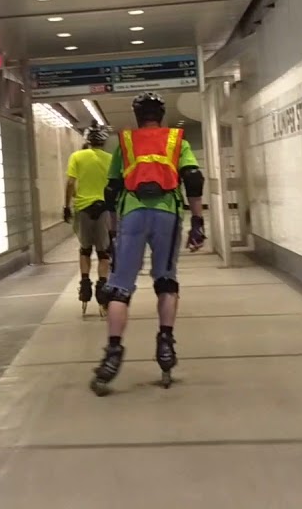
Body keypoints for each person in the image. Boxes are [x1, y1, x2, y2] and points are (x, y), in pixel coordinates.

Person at [91, 93, 206, 395]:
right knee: (166, 280)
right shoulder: (177, 141)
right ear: (162, 114)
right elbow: (193, 179)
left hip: (132, 214)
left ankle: (113, 353)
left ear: (137, 116)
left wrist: (114, 233)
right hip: (167, 214)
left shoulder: (125, 143)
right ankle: (165, 343)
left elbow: (112, 190)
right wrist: (197, 221)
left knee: (120, 285)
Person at [64, 125, 114, 315]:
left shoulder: (77, 157)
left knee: (85, 249)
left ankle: (85, 284)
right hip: (103, 209)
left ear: (87, 140)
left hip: (83, 208)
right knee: (104, 253)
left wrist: (66, 206)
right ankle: (102, 288)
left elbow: (70, 183)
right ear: (103, 141)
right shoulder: (110, 159)